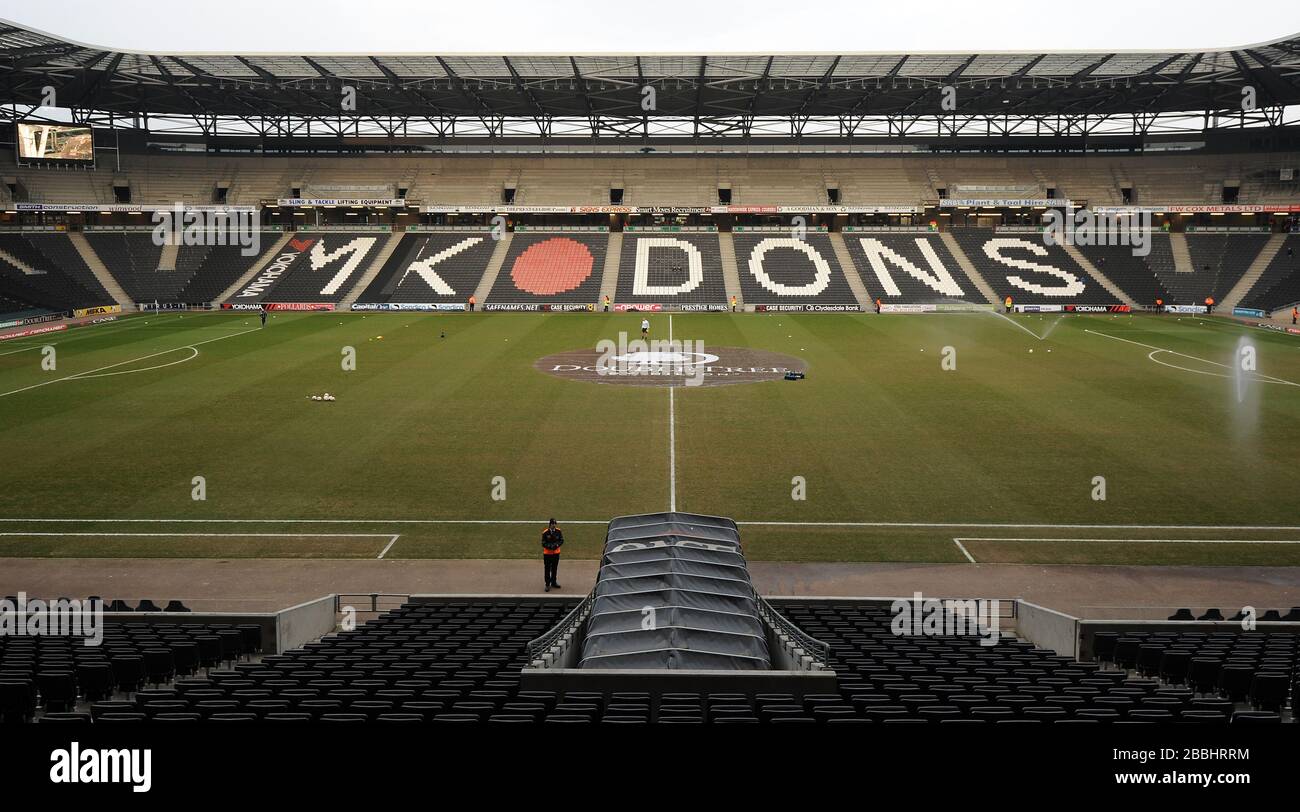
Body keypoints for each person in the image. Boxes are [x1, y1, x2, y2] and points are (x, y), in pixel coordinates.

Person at [541, 518, 564, 591]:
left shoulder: (558, 531)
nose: (554, 525)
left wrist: (557, 545)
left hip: (556, 553)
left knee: (554, 569)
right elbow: (543, 543)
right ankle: (547, 584)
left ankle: (553, 582)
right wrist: (550, 546)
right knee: (547, 569)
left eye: (555, 524)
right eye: (552, 524)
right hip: (547, 554)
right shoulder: (545, 533)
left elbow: (561, 540)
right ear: (550, 524)